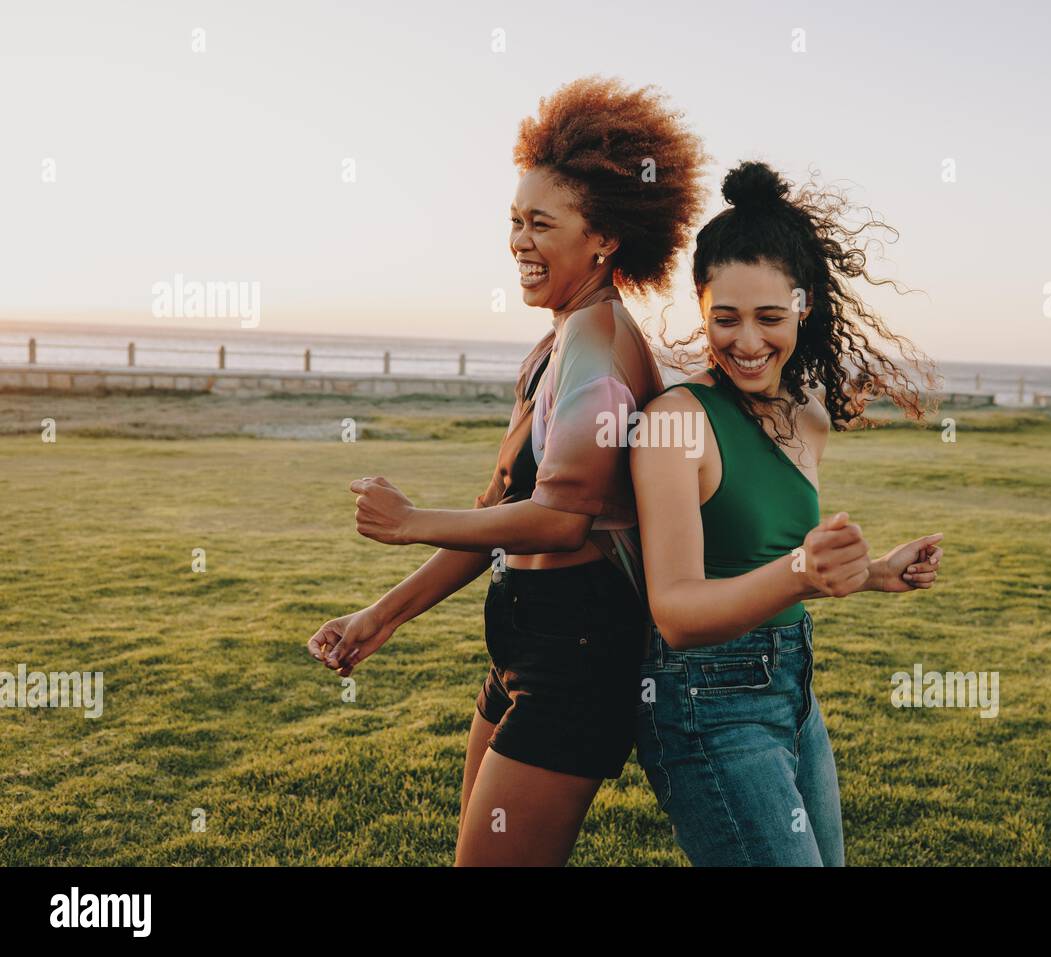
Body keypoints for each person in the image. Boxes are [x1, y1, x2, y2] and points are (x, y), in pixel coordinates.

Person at [307, 76, 707, 865]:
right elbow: (499, 509)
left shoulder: (599, 345)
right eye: (514, 222)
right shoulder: (556, 343)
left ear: (604, 240)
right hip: (525, 639)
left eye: (541, 224)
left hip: (580, 650)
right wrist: (380, 616)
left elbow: (562, 516)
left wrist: (411, 519)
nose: (519, 241)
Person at [631, 160, 944, 866]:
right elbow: (677, 611)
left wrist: (869, 573)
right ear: (701, 309)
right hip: (705, 702)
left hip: (793, 691)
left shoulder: (808, 417)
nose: (747, 341)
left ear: (805, 306)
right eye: (725, 318)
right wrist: (803, 572)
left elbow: (762, 563)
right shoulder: (675, 422)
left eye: (770, 317)